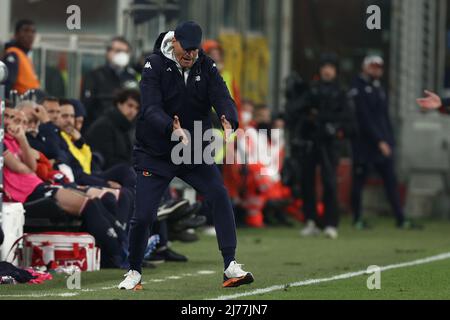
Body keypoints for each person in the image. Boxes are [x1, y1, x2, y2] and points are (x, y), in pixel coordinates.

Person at [119, 21, 254, 290]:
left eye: (195, 50)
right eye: (187, 49)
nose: (191, 55)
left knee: (218, 194)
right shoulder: (154, 65)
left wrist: (229, 119)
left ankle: (230, 266)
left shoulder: (206, 64)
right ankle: (133, 271)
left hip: (193, 147)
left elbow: (222, 96)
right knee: (144, 215)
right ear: (174, 42)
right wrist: (172, 127)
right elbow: (150, 108)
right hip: (156, 150)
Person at [349, 55, 418, 230]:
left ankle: (400, 218)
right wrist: (380, 141)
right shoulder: (357, 88)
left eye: (379, 67)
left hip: (383, 144)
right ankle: (357, 218)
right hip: (365, 145)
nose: (376, 70)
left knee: (391, 181)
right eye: (373, 66)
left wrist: (389, 140)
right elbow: (364, 119)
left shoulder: (379, 88)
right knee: (359, 181)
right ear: (364, 67)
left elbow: (384, 117)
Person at [298, 55, 353, 239]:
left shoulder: (341, 92)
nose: (327, 71)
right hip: (312, 140)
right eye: (324, 66)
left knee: (330, 181)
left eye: (330, 67)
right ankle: (311, 220)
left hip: (330, 143)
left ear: (335, 71)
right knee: (307, 181)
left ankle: (331, 223)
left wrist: (334, 127)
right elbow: (301, 111)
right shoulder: (312, 90)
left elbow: (348, 118)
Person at [81, 36, 139, 130]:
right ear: (108, 52)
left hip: (126, 131)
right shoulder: (95, 76)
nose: (122, 54)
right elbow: (87, 106)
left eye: (125, 52)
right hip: (100, 130)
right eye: (118, 51)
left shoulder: (131, 77)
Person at [86, 89, 140, 170]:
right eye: (130, 105)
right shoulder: (104, 126)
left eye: (137, 108)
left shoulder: (125, 127)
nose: (133, 111)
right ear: (119, 104)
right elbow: (106, 160)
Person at [2, 19, 40, 96]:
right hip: (24, 102)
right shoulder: (13, 54)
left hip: (34, 98)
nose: (30, 35)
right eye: (26, 31)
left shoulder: (24, 56)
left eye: (33, 32)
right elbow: (7, 84)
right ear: (16, 34)